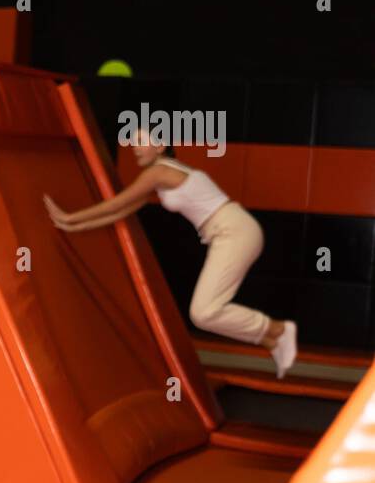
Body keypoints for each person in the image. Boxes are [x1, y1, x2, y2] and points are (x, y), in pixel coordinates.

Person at [43, 128, 297, 378]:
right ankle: (272, 341)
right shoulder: (167, 173)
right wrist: (76, 226)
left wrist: (71, 216)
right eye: (133, 141)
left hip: (234, 231)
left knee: (203, 312)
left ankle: (278, 329)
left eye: (142, 141)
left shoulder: (159, 172)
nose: (135, 147)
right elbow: (124, 211)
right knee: (205, 313)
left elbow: (117, 202)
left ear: (160, 146)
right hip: (231, 231)